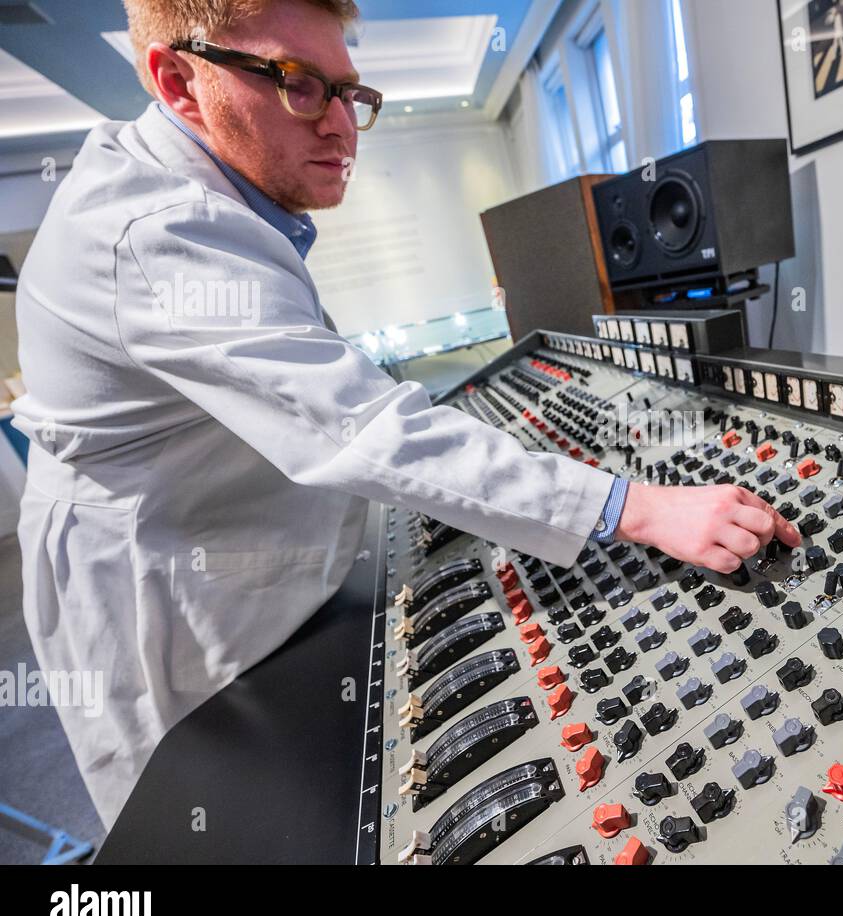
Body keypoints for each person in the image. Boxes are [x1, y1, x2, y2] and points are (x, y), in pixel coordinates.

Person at [11, 0, 798, 830]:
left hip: (239, 543)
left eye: (350, 91)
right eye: (301, 86)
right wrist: (635, 505)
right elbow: (359, 429)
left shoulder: (204, 196)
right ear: (179, 81)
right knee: (216, 828)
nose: (344, 130)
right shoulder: (155, 231)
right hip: (159, 594)